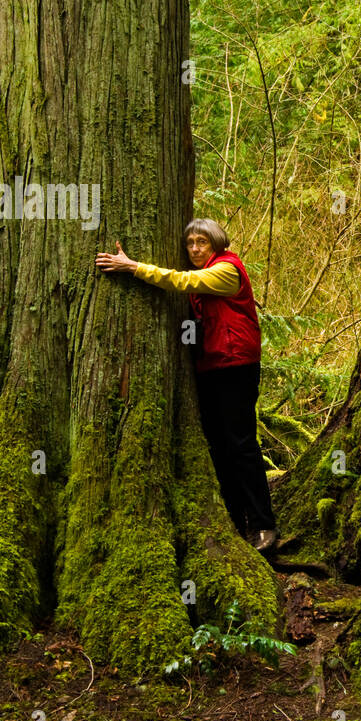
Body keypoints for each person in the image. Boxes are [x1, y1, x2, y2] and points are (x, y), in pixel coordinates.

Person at [94, 219, 276, 553]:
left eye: (201, 242)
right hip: (211, 366)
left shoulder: (226, 269)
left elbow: (181, 281)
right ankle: (236, 521)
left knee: (241, 445)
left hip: (235, 365)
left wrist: (131, 266)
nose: (194, 248)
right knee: (219, 447)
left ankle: (264, 525)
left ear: (215, 244)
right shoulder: (208, 272)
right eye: (190, 242)